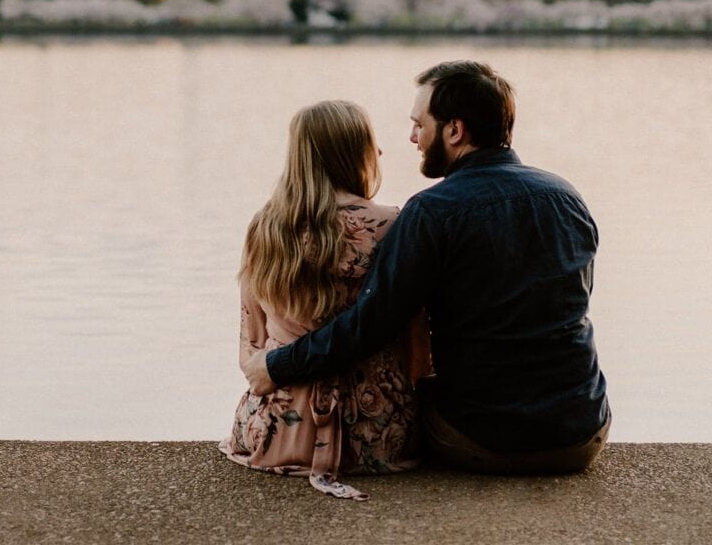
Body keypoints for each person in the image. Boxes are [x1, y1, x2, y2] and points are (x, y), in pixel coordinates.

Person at [243, 61, 611, 475]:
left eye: (421, 124)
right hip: (582, 433)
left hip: (483, 441)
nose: (413, 137)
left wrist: (277, 365)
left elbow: (371, 323)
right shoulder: (565, 196)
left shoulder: (432, 212)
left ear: (455, 131)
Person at [220, 100, 432, 500]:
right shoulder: (392, 225)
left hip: (274, 431)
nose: (382, 153)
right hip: (380, 432)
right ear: (353, 153)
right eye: (372, 143)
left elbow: (250, 347)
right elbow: (417, 349)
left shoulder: (264, 227)